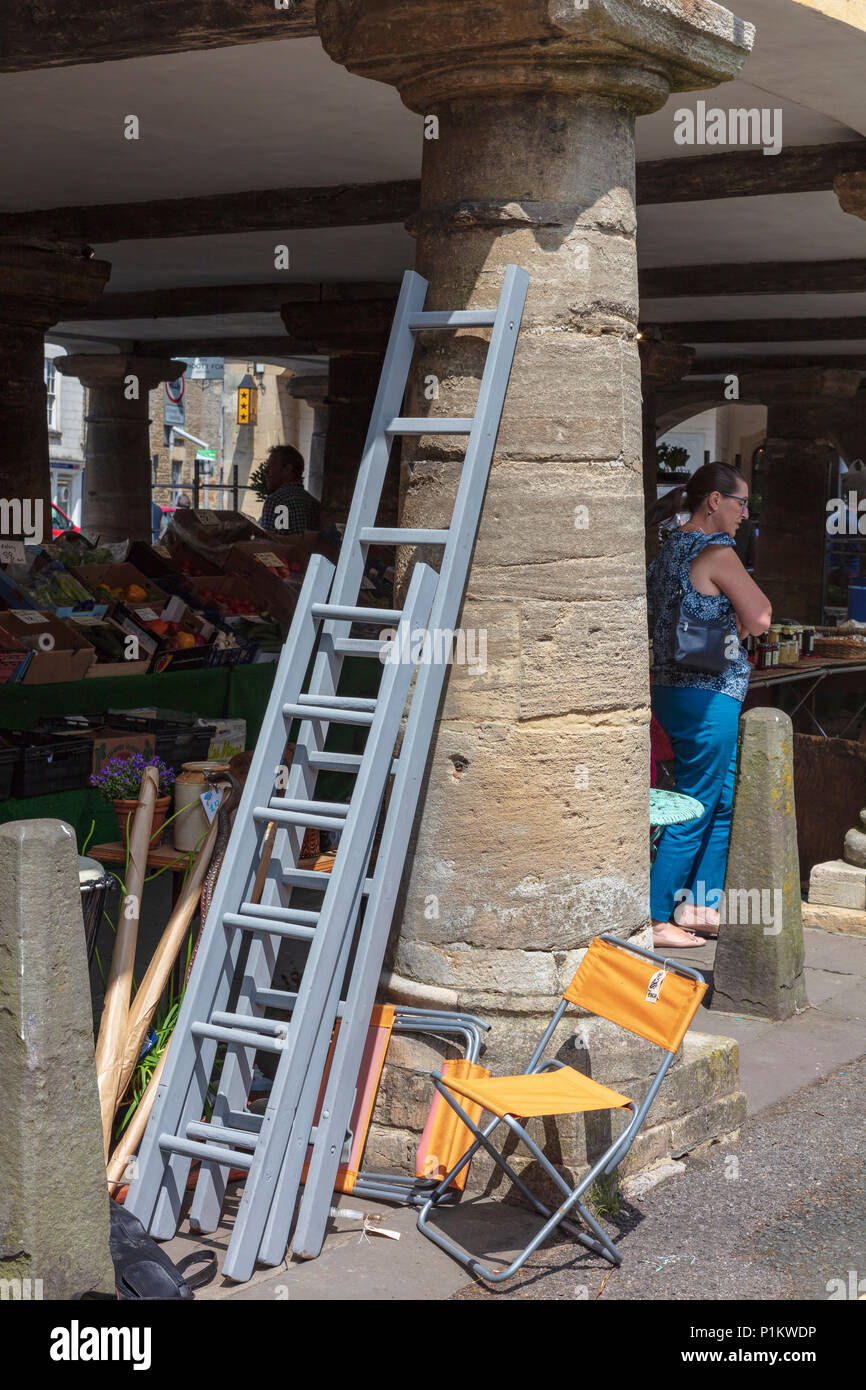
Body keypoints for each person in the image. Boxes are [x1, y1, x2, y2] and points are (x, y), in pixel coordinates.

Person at [646, 462, 772, 949]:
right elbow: (760, 615)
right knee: (697, 803)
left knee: (719, 798)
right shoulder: (715, 550)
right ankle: (658, 917)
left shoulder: (668, 547)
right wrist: (740, 629)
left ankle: (699, 904)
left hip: (672, 689)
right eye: (741, 502)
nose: (745, 513)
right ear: (714, 502)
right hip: (710, 695)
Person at [258, 445, 320, 535]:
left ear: (287, 469)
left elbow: (273, 543)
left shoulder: (277, 500)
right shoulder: (313, 503)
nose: (266, 470)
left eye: (272, 465)